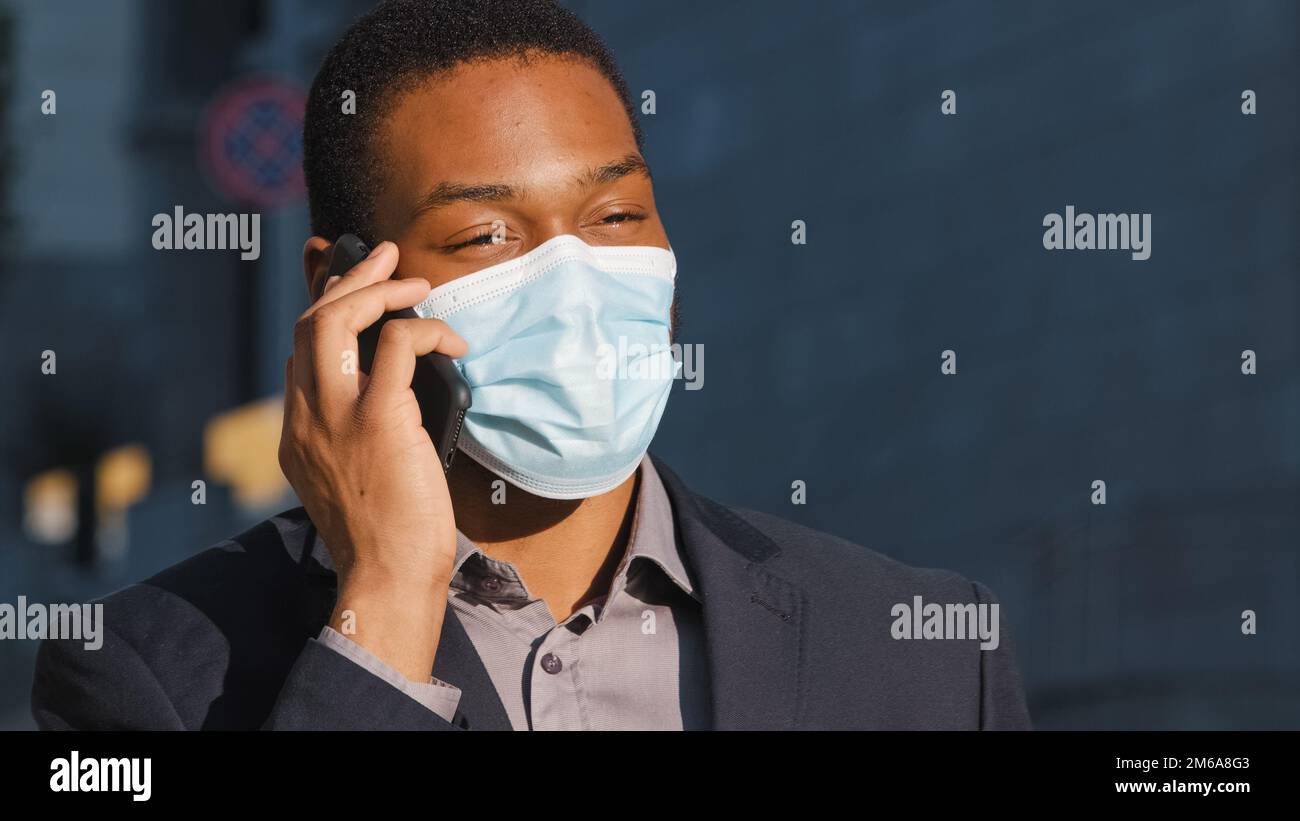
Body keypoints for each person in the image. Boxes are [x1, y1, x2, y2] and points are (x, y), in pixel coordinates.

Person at [31, 0, 1031, 731]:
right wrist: (382, 608)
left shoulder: (924, 647)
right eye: (483, 234)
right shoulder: (150, 672)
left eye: (615, 216)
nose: (578, 278)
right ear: (342, 286)